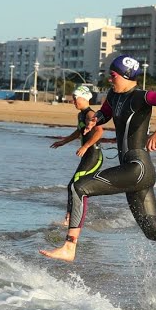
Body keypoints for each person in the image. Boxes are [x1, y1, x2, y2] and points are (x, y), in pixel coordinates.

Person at [40, 54, 156, 289]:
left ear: (125, 75)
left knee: (78, 187)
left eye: (113, 74)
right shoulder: (114, 95)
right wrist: (96, 120)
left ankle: (70, 246)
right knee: (153, 230)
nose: (109, 78)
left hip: (138, 167)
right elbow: (105, 111)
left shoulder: (141, 96)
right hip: (132, 169)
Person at [50, 84, 103, 227]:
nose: (73, 102)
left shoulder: (90, 114)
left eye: (75, 99)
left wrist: (85, 146)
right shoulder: (81, 114)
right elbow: (79, 131)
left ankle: (71, 219)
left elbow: (99, 131)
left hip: (94, 156)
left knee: (74, 186)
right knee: (75, 186)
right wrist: (64, 141)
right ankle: (72, 217)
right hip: (88, 156)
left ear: (84, 98)